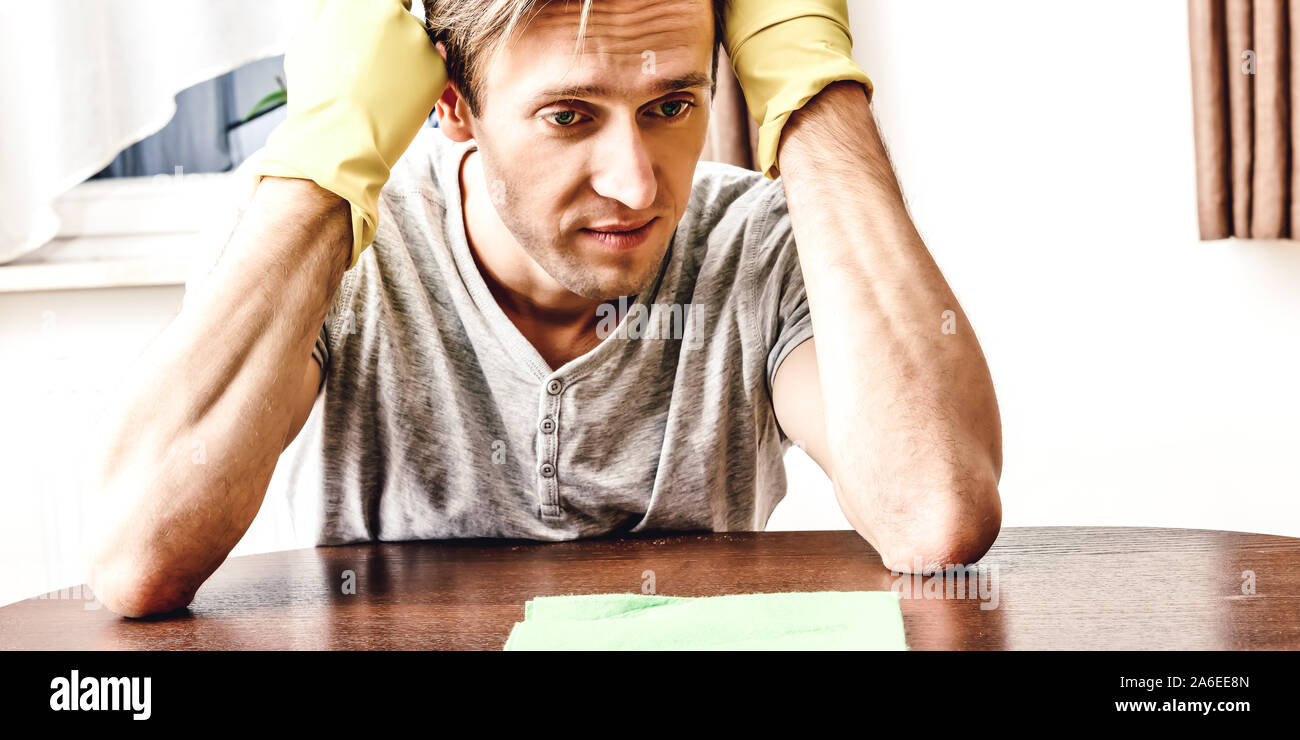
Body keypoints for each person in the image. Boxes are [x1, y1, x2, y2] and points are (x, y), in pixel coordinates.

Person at [84, 0, 1003, 618]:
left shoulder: (754, 246)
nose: (635, 183)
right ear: (452, 104)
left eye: (672, 104)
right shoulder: (335, 252)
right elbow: (135, 559)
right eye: (569, 116)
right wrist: (325, 158)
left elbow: (934, 516)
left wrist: (814, 94)